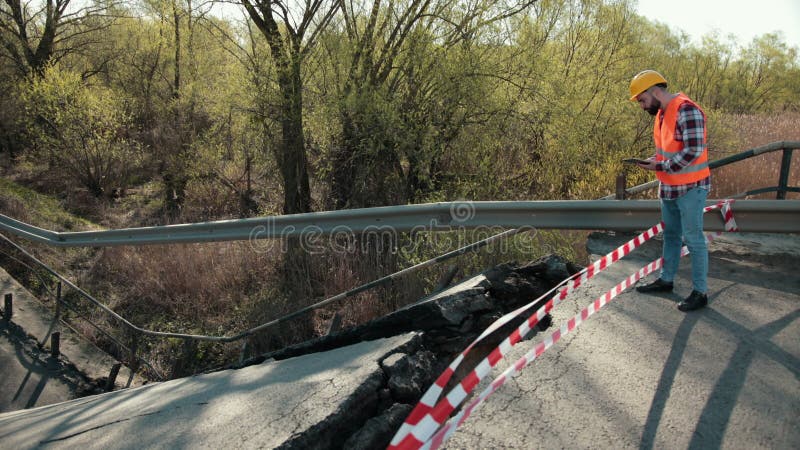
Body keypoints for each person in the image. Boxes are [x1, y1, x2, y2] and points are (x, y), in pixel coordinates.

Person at [628, 70, 710, 312]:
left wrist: (661, 165)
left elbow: (693, 150)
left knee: (694, 240)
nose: (642, 106)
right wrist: (653, 161)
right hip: (670, 187)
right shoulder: (663, 114)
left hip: (691, 188)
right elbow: (669, 150)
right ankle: (666, 280)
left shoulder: (687, 109)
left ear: (655, 90)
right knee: (671, 236)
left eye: (642, 100)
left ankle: (700, 292)